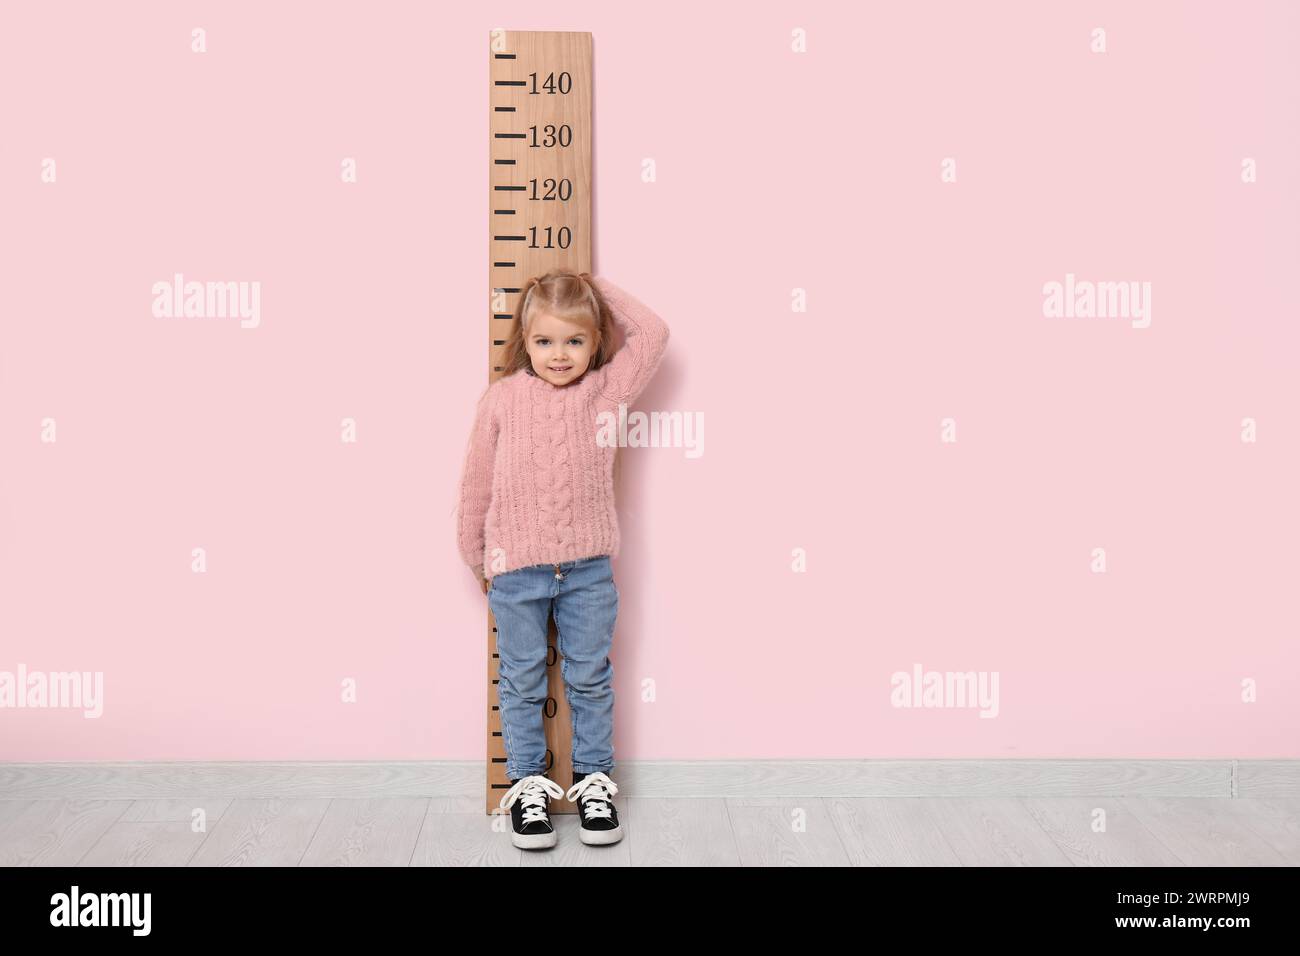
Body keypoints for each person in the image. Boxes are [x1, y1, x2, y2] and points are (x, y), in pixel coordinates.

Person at [456, 271, 670, 849]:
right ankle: (527, 786)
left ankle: (594, 782)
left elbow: (653, 334)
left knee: (590, 678)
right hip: (516, 570)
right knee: (522, 679)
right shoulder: (501, 399)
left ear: (595, 341)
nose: (559, 355)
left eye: (575, 341)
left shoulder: (606, 393)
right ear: (525, 341)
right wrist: (476, 554)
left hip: (588, 571)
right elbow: (477, 481)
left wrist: (591, 284)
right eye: (546, 341)